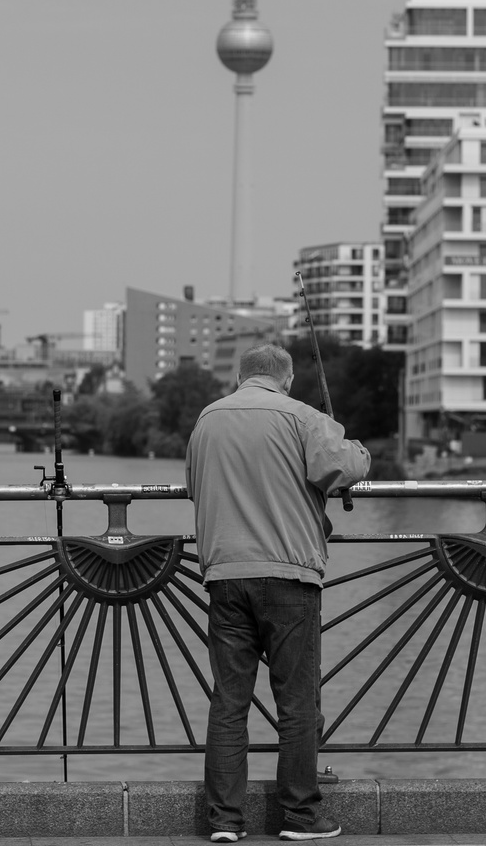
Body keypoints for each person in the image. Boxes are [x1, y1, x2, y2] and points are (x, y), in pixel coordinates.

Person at [187, 343, 371, 843]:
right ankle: (301, 816)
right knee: (297, 703)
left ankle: (224, 821)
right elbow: (347, 467)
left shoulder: (207, 419)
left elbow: (194, 483)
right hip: (289, 574)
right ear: (287, 380)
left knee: (229, 701)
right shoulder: (301, 415)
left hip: (224, 574)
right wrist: (354, 444)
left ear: (240, 376)